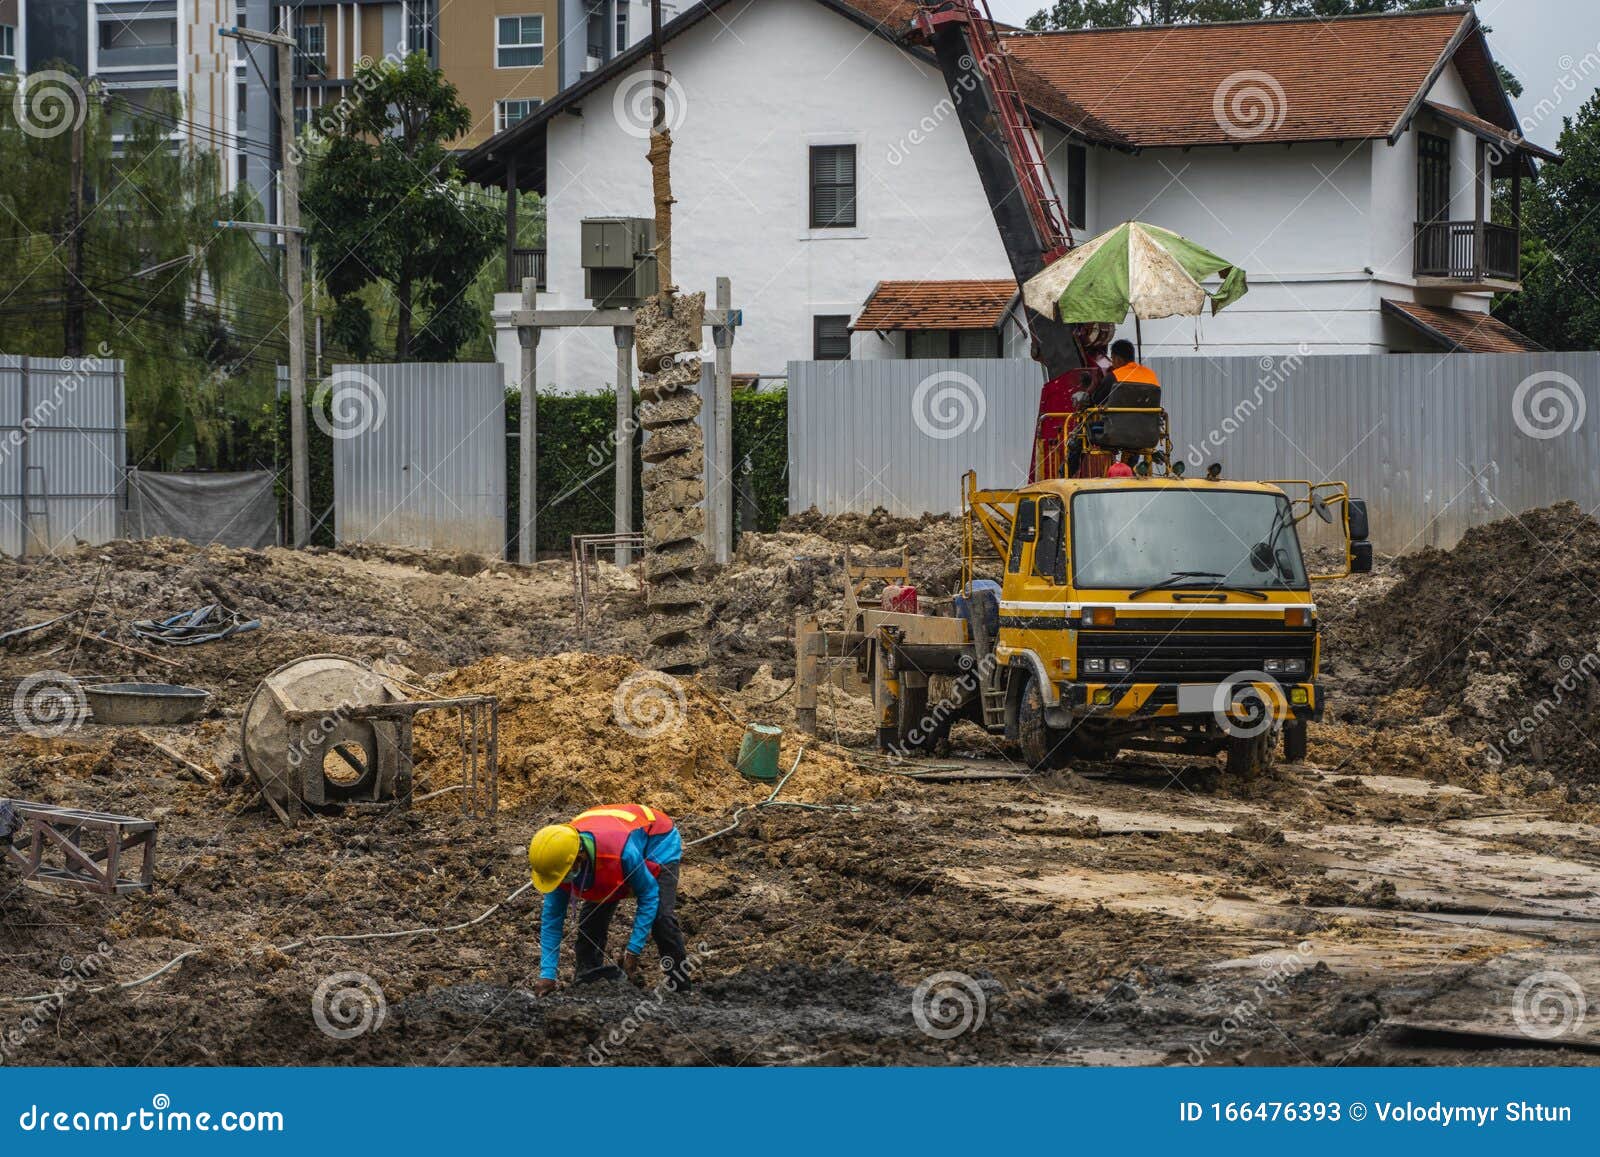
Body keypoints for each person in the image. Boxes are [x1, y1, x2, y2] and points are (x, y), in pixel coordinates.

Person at [527, 803, 690, 995]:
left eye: (563, 876)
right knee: (592, 920)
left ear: (579, 858)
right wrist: (547, 975)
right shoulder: (558, 865)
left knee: (661, 918)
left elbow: (649, 894)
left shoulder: (620, 854)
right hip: (608, 838)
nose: (561, 882)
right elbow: (552, 920)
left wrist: (633, 950)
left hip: (657, 839)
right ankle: (587, 983)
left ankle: (681, 988)